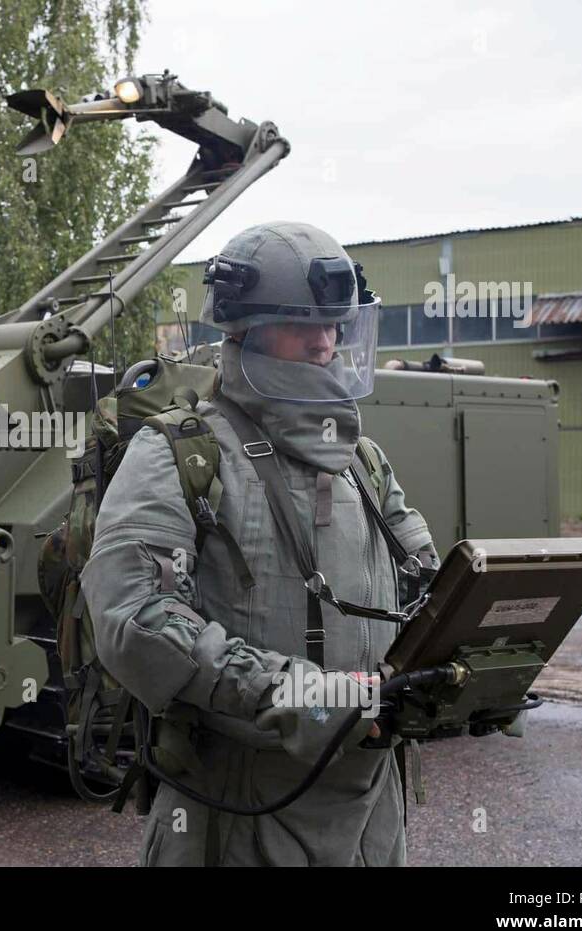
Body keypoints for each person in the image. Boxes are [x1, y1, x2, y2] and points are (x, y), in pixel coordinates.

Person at [79, 221, 440, 867]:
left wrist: (474, 666)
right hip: (237, 810)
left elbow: (425, 585)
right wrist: (299, 697)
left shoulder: (364, 461)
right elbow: (134, 619)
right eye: (304, 322)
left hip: (371, 809)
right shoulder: (178, 452)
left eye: (337, 323)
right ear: (244, 330)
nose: (327, 340)